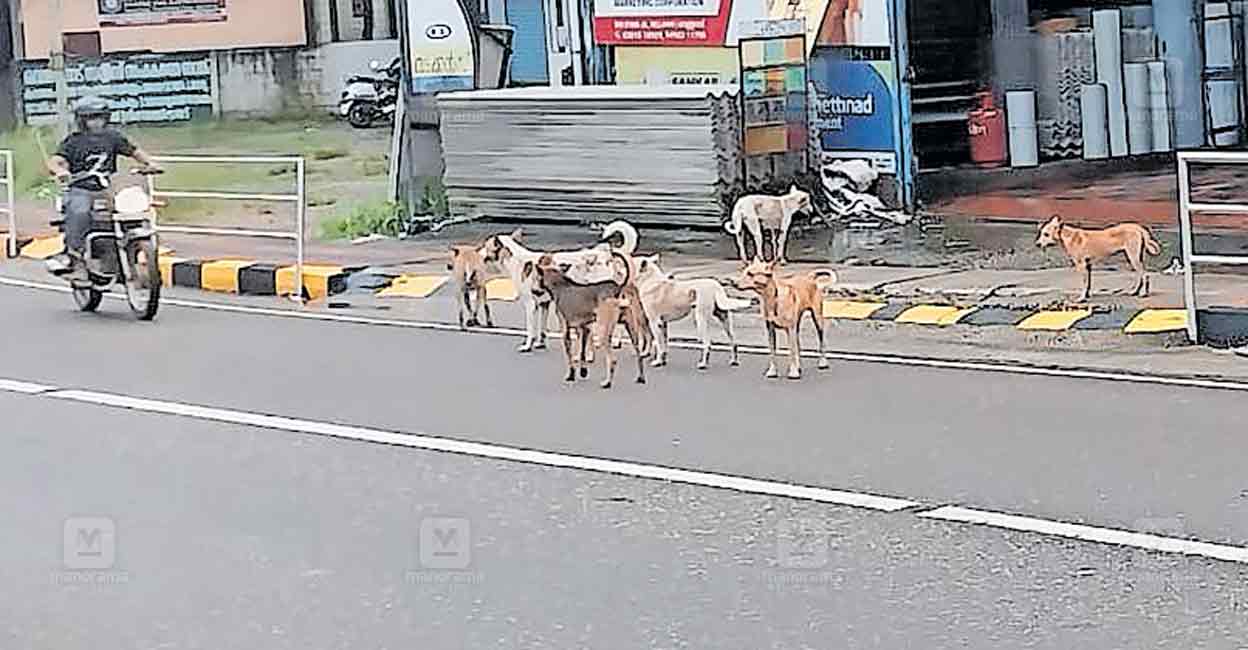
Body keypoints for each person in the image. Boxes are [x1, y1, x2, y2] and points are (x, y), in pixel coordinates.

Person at [45, 96, 159, 277]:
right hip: (81, 188)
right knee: (80, 211)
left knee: (132, 209)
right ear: (82, 120)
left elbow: (134, 151)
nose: (96, 122)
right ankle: (72, 255)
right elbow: (55, 161)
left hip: (108, 188)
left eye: (100, 117)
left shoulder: (113, 137)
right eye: (90, 118)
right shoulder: (73, 141)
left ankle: (130, 248)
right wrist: (59, 171)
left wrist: (151, 163)